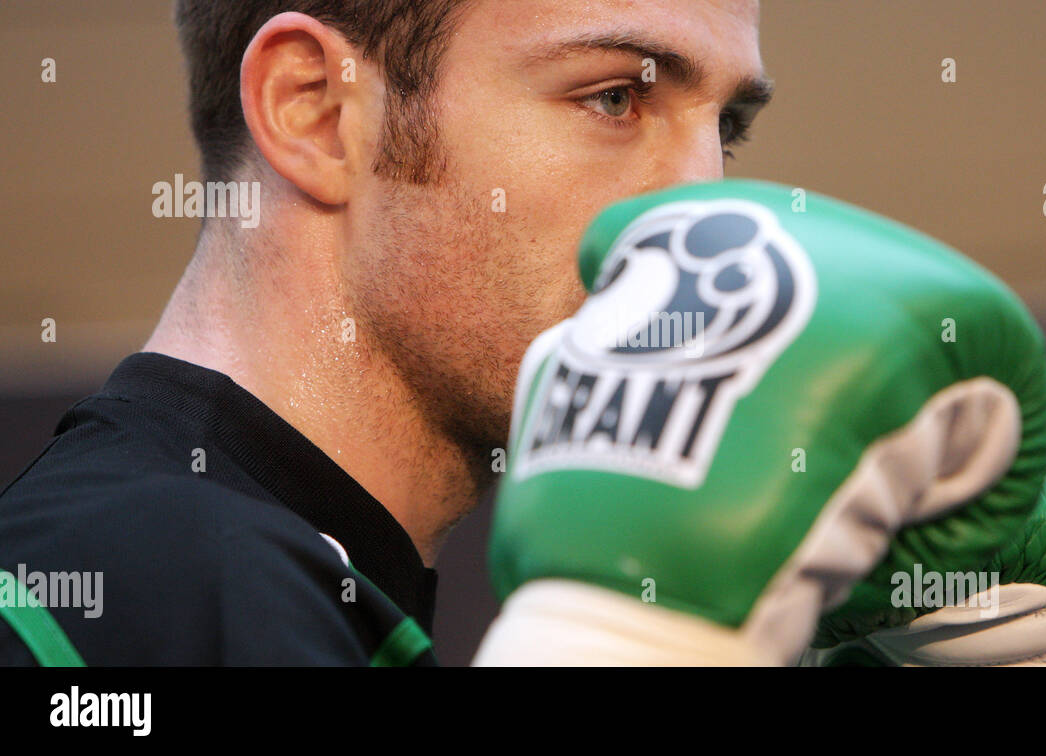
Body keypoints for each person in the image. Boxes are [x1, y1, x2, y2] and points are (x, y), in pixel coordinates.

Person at [0, 0, 771, 665]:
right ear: (316, 112)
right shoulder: (155, 584)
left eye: (727, 127)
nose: (708, 216)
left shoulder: (251, 581)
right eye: (614, 99)